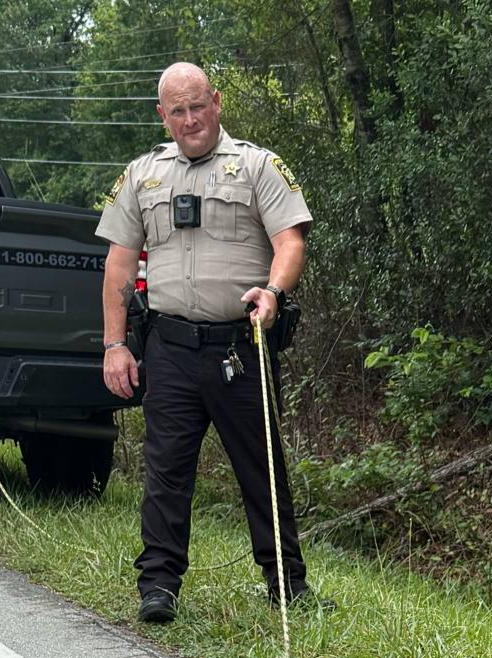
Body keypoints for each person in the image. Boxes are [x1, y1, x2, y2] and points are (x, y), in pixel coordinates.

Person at [96, 62, 326, 625]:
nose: (191, 118)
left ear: (217, 101)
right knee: (166, 469)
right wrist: (114, 345)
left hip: (238, 347)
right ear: (162, 115)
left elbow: (289, 241)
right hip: (169, 347)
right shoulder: (141, 175)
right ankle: (158, 586)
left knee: (261, 466)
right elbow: (119, 265)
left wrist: (273, 290)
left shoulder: (257, 166)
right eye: (178, 110)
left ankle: (287, 586)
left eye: (199, 104)